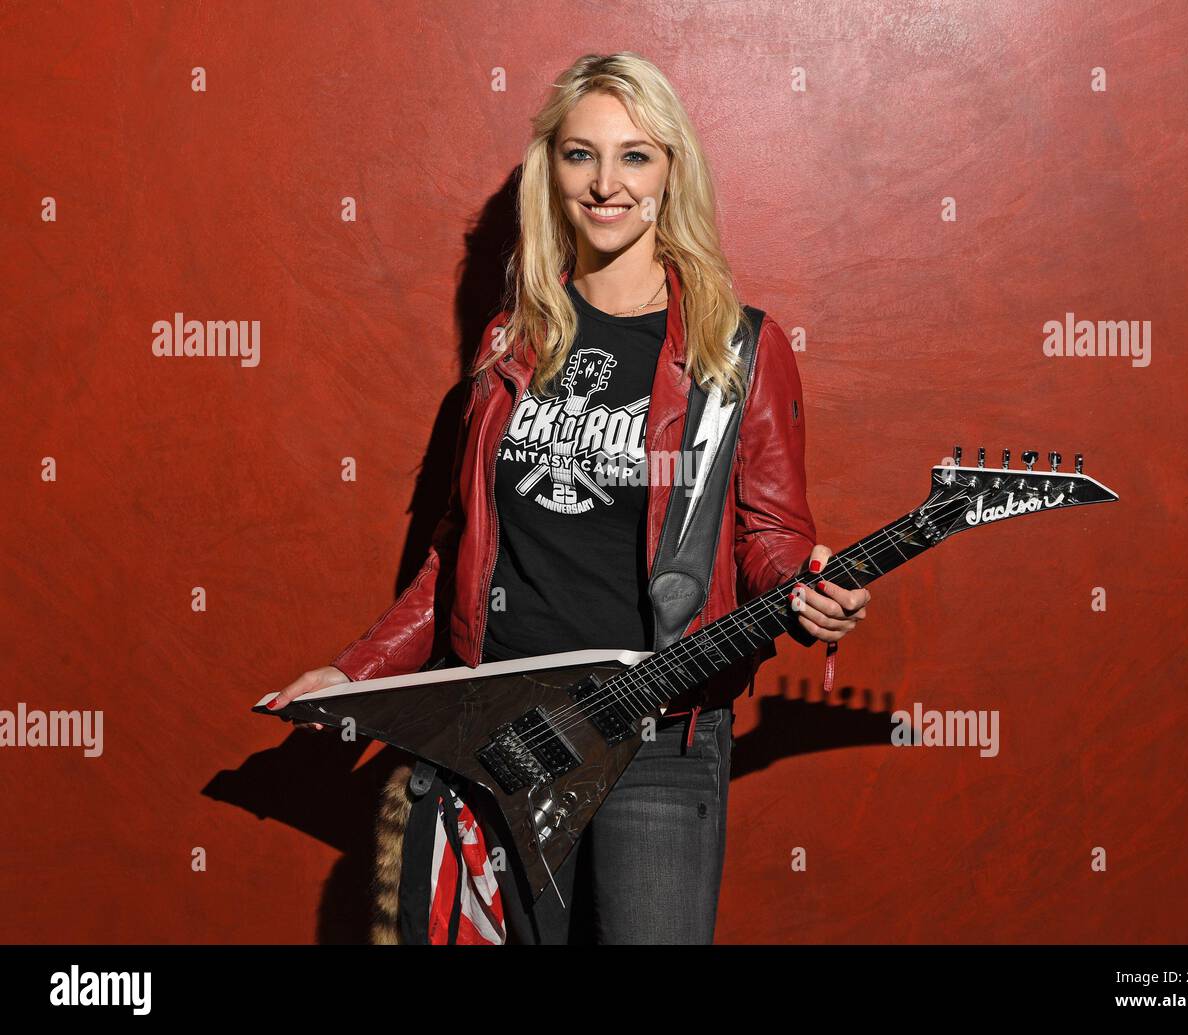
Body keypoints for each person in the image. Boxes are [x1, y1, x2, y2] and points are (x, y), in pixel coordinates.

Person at [268, 51, 869, 944]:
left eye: (635, 155)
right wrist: (357, 673)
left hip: (658, 733)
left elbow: (771, 533)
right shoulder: (513, 338)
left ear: (673, 172)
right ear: (551, 168)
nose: (606, 182)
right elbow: (458, 547)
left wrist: (809, 585)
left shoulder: (736, 348)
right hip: (501, 732)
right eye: (580, 154)